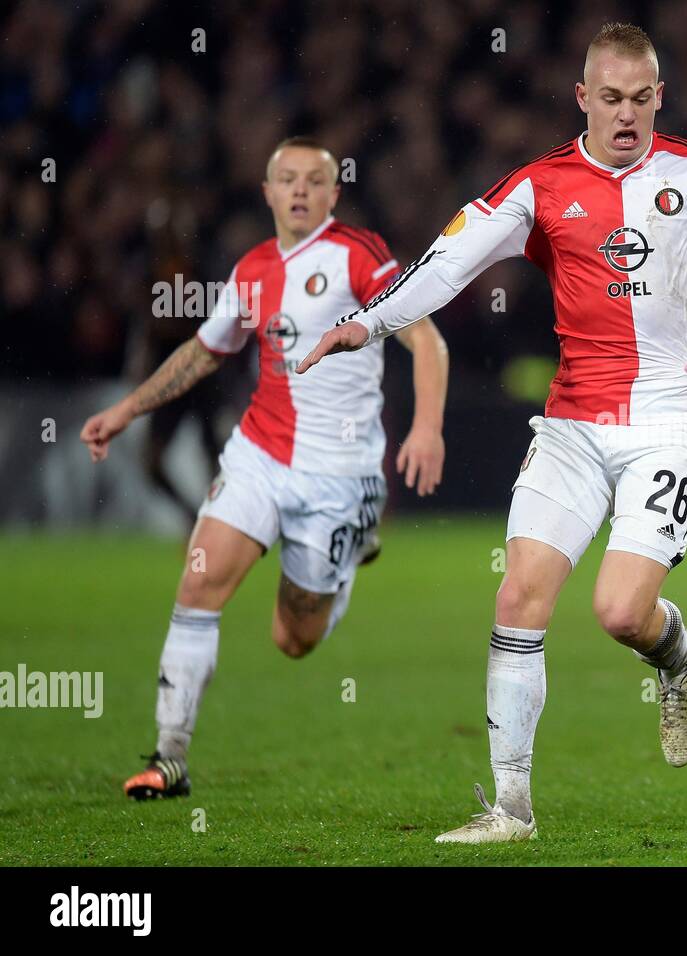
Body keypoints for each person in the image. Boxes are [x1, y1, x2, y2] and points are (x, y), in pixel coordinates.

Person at [297, 23, 687, 843]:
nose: (625, 115)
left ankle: (680, 658)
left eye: (640, 99)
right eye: (609, 98)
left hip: (675, 414)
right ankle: (511, 810)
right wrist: (365, 325)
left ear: (659, 98)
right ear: (582, 97)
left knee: (618, 612)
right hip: (575, 418)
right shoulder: (540, 187)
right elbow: (446, 263)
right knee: (519, 595)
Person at [80, 136, 449, 799]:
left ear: (334, 194)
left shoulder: (358, 255)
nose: (301, 190)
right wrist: (126, 410)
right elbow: (202, 352)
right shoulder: (250, 270)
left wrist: (425, 428)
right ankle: (169, 757)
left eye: (315, 180)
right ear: (268, 193)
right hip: (258, 456)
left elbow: (426, 337)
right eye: (288, 179)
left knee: (293, 638)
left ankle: (348, 555)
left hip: (339, 475)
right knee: (197, 587)